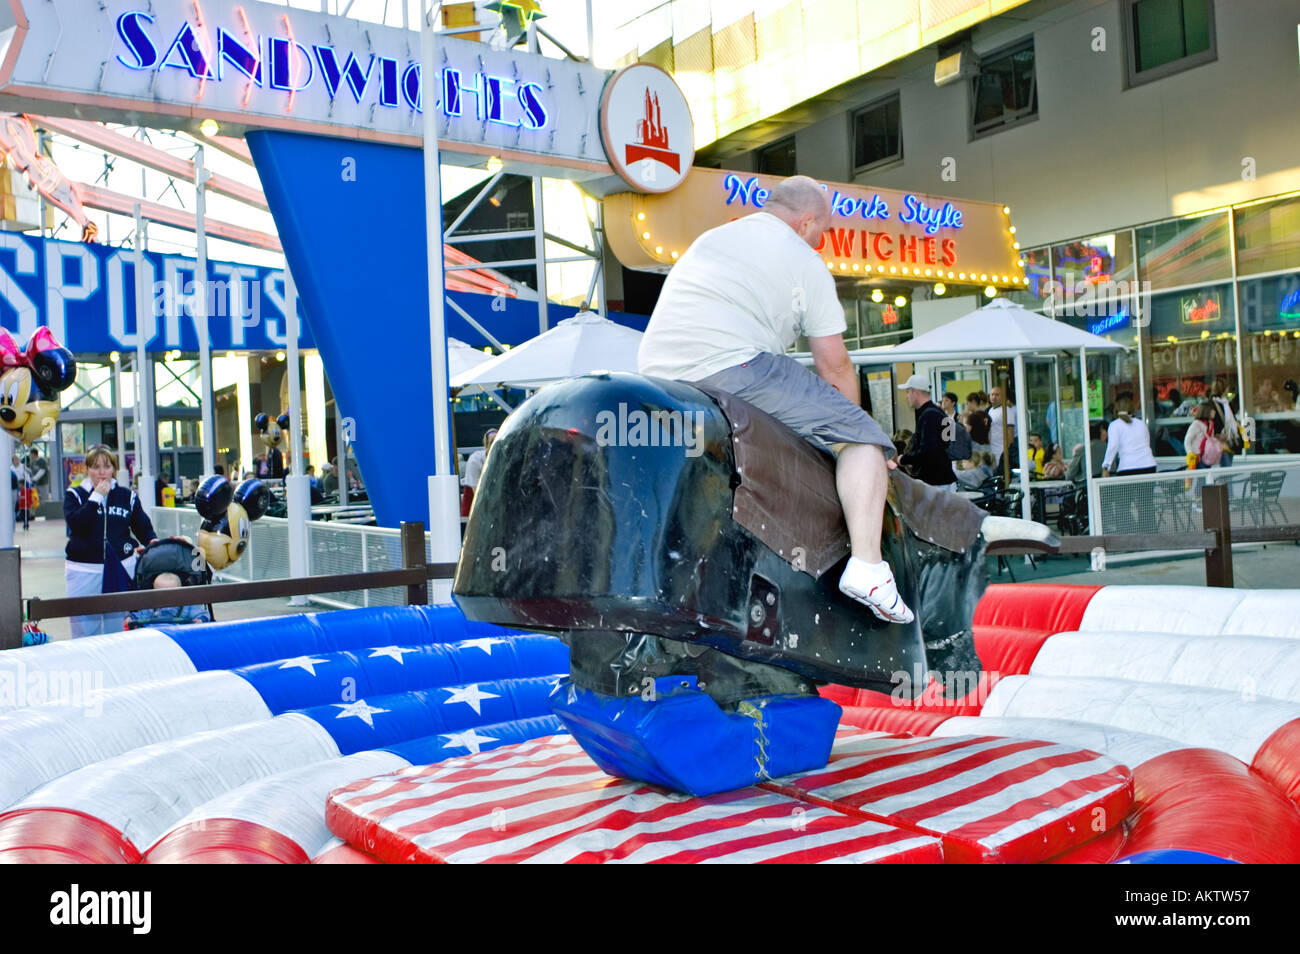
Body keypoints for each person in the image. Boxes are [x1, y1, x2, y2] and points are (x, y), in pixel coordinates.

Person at [637, 175, 912, 624]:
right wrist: (853, 429)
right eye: (822, 231)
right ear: (806, 223)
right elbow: (834, 366)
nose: (821, 241)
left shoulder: (715, 238)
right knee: (864, 440)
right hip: (732, 365)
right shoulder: (803, 259)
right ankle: (868, 566)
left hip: (656, 379)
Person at [64, 444, 157, 638]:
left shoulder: (127, 496)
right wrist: (97, 496)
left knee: (119, 628)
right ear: (87, 469)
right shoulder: (75, 495)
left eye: (106, 467)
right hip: (84, 570)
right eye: (95, 467)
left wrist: (152, 542)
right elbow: (76, 524)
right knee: (84, 629)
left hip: (122, 568)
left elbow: (142, 527)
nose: (101, 473)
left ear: (113, 469)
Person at [1101, 397, 1158, 533]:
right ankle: (1148, 532)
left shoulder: (1115, 425)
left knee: (1123, 503)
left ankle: (1126, 532)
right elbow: (1147, 443)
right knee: (1146, 502)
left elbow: (1113, 446)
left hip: (1128, 467)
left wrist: (1106, 466)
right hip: (1148, 465)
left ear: (1116, 410)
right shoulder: (1140, 423)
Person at [898, 375, 957, 490]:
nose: (907, 396)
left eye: (908, 392)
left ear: (915, 392)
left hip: (936, 483)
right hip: (944, 479)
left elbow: (928, 451)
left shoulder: (928, 415)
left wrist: (903, 459)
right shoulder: (938, 412)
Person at [461, 429, 497, 514]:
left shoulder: (504, 458)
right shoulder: (475, 460)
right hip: (473, 498)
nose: (495, 445)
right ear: (486, 446)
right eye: (492, 442)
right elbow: (476, 493)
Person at [1208, 379, 1241, 465]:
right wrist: (1217, 434)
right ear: (1224, 389)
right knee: (1225, 469)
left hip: (1228, 439)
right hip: (1220, 440)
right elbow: (1209, 422)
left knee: (1226, 466)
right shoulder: (1217, 403)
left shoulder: (1225, 402)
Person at [1184, 401, 1224, 470]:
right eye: (1212, 410)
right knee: (1201, 478)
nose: (1214, 412)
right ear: (1206, 411)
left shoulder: (1211, 424)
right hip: (1197, 457)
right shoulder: (1196, 424)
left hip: (1207, 456)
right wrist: (1190, 453)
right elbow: (1187, 440)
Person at [988, 385, 1017, 467]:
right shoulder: (990, 410)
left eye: (997, 395)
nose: (994, 397)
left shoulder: (1006, 410)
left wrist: (1007, 450)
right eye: (992, 394)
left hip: (1001, 450)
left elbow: (1010, 431)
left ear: (1002, 396)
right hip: (992, 449)